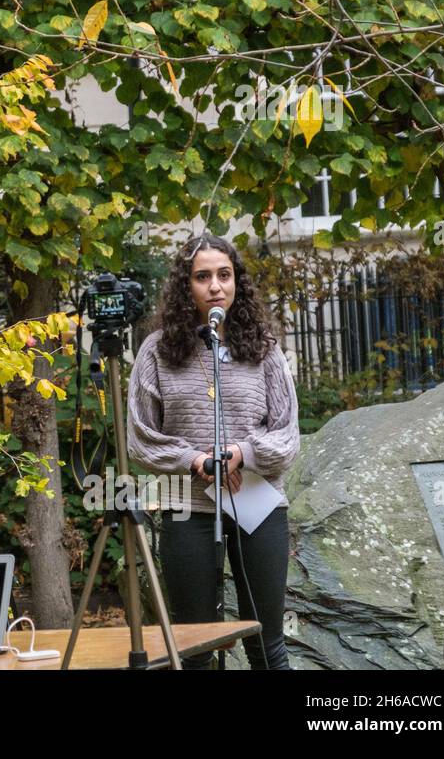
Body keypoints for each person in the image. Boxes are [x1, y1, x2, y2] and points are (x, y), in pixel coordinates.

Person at [126, 233, 300, 669]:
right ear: (186, 285)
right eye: (202, 277)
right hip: (188, 509)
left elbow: (287, 434)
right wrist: (196, 460)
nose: (215, 286)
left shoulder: (263, 348)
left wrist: (241, 452)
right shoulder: (157, 351)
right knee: (196, 647)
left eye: (224, 275)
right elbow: (141, 437)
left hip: (257, 504)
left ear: (237, 281)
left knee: (267, 641)